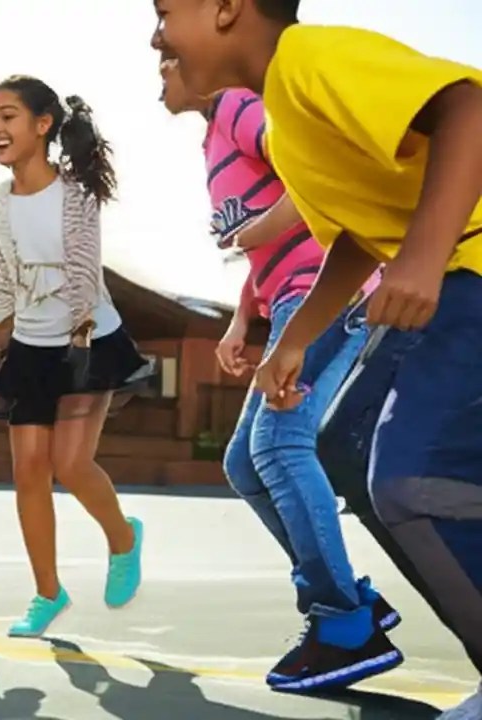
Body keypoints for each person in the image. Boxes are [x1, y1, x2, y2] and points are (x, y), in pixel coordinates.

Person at [152, 0, 482, 716]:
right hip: (435, 278)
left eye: (166, 11)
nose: (157, 34)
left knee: (408, 478)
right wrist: (293, 335)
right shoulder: (289, 124)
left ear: (228, 9)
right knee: (341, 450)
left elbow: (467, 108)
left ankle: (347, 619)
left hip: (464, 269)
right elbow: (355, 235)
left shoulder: (306, 62)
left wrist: (422, 256)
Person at [155, 57, 404, 691]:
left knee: (279, 444)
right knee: (245, 464)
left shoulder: (237, 108)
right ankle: (349, 599)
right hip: (289, 297)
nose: (160, 65)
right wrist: (243, 321)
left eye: (168, 56)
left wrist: (250, 232)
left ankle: (343, 621)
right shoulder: (215, 142)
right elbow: (266, 249)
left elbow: (321, 180)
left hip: (329, 294)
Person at [0, 76, 146, 639]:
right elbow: (11, 280)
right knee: (29, 473)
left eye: (7, 116)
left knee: (72, 464)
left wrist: (77, 344)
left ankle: (124, 539)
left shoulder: (76, 194)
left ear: (42, 125)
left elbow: (84, 273)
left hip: (88, 340)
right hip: (31, 347)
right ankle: (47, 593)